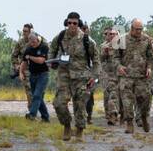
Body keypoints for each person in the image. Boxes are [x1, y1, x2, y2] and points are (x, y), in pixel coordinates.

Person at [49, 12, 97, 141]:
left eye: (74, 23)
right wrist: (52, 62)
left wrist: (94, 76)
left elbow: (96, 60)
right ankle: (67, 125)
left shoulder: (87, 40)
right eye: (69, 23)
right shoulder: (60, 37)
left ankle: (80, 129)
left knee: (80, 104)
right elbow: (51, 51)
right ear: (66, 23)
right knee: (59, 103)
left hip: (82, 77)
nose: (72, 25)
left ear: (78, 24)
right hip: (64, 75)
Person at [116, 18, 153, 134]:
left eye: (141, 29)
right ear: (131, 28)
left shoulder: (146, 40)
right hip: (127, 76)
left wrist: (150, 67)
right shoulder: (121, 39)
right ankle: (129, 123)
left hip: (142, 77)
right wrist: (119, 66)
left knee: (145, 99)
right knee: (127, 101)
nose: (139, 32)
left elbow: (151, 57)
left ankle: (144, 117)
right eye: (137, 29)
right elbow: (114, 57)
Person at [19, 32, 50, 122]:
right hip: (33, 75)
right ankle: (45, 117)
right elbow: (24, 62)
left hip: (43, 75)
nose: (32, 44)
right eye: (31, 42)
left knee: (37, 95)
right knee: (37, 97)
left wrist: (30, 57)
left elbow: (41, 60)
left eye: (34, 42)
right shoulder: (28, 49)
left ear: (37, 40)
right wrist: (21, 72)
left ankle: (32, 115)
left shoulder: (44, 46)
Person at [100, 27, 122, 125]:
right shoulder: (104, 46)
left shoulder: (122, 45)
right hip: (108, 73)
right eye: (110, 34)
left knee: (119, 94)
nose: (112, 36)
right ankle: (111, 114)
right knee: (109, 94)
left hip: (120, 73)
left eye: (114, 34)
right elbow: (100, 60)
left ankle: (117, 114)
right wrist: (104, 53)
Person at [10, 23, 35, 105]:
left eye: (26, 31)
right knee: (29, 90)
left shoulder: (38, 40)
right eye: (23, 31)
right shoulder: (20, 43)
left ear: (31, 32)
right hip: (25, 70)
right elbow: (14, 56)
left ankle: (39, 109)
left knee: (38, 92)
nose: (24, 33)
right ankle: (32, 111)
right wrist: (17, 66)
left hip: (38, 69)